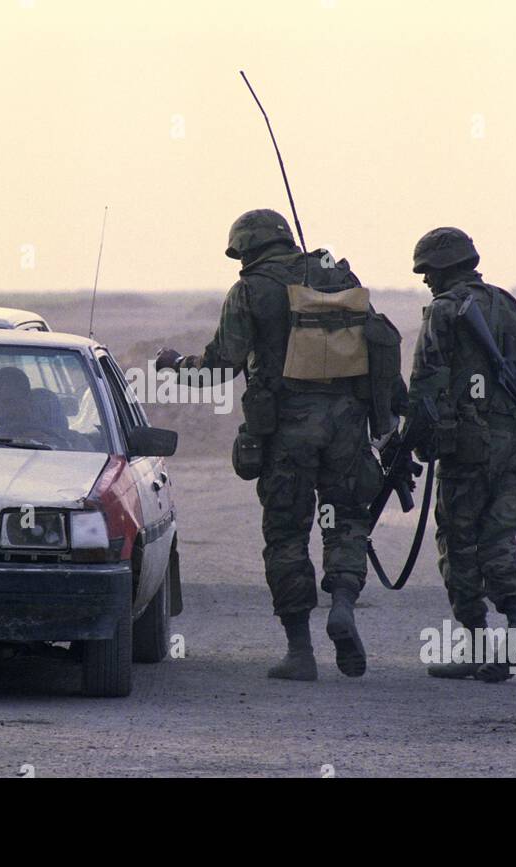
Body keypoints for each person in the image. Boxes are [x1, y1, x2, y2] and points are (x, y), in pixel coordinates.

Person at [157, 208, 405, 681]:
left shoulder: (250, 290)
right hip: (347, 429)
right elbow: (379, 345)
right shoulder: (335, 274)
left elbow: (218, 367)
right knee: (347, 522)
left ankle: (300, 652)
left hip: (287, 436)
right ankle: (344, 607)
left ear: (246, 250)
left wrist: (173, 364)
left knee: (287, 535)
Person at [402, 227, 516, 683]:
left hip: (468, 446)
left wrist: (415, 442)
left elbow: (426, 385)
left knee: (459, 541)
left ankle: (478, 644)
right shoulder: (507, 305)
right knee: (499, 536)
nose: (425, 279)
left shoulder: (445, 311)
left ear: (444, 268)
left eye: (428, 271)